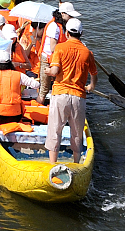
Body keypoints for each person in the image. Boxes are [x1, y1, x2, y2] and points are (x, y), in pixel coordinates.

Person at [46, 18, 97, 164]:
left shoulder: (60, 48)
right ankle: (76, 164)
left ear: (67, 33)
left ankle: (52, 164)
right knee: (76, 133)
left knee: (55, 130)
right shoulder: (87, 52)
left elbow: (55, 70)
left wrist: (47, 70)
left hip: (60, 94)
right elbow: (94, 75)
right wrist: (91, 86)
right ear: (82, 33)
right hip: (78, 97)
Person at [0, 49, 40, 125]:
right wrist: (32, 79)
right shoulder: (19, 75)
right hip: (15, 116)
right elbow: (36, 85)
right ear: (10, 63)